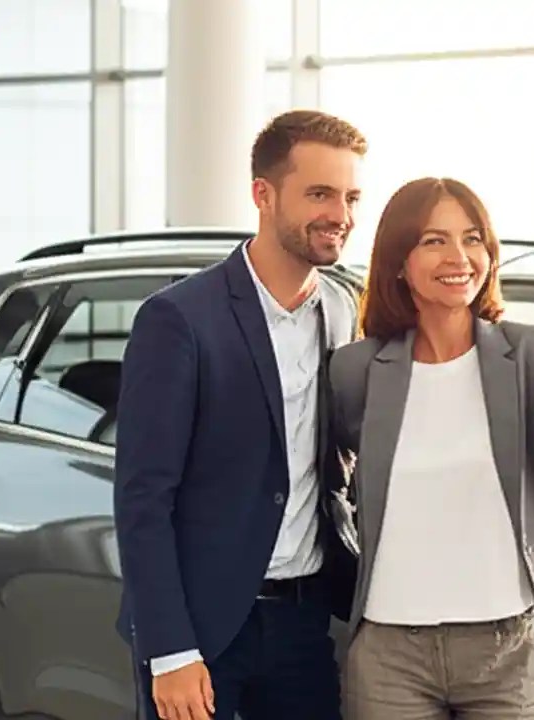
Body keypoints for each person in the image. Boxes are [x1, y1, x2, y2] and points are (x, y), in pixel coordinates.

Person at [328, 176, 534, 719]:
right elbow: (333, 481)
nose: (459, 256)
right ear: (398, 260)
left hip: (504, 650)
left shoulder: (531, 352)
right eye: (434, 240)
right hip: (390, 650)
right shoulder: (357, 369)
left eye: (473, 238)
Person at [113, 110, 366, 720]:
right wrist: (170, 650)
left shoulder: (341, 308)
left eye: (351, 196)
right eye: (320, 194)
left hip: (305, 625)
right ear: (264, 194)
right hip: (204, 628)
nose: (342, 214)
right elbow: (143, 498)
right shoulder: (178, 319)